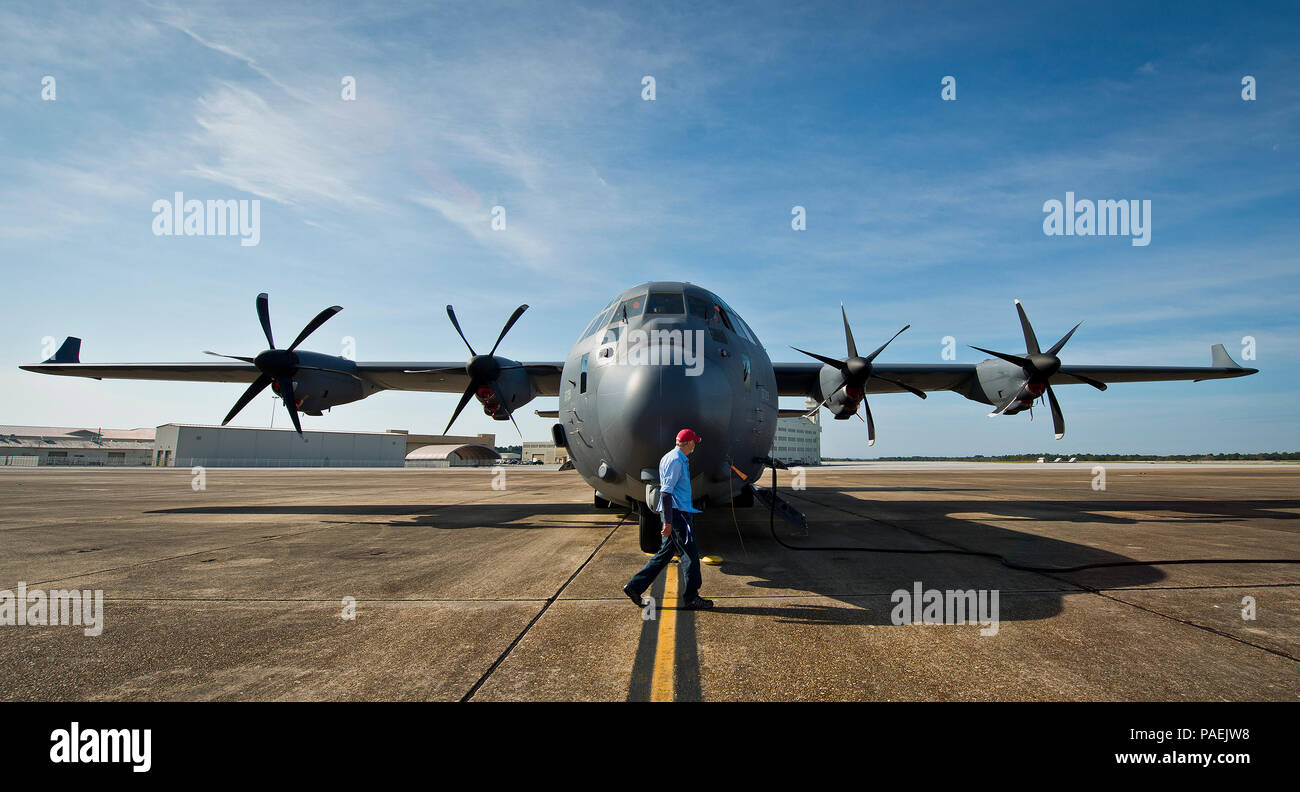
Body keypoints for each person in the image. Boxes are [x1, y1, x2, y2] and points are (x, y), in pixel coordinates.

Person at [623, 429, 714, 610]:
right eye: (694, 442)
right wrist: (668, 522)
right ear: (688, 443)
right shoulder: (675, 461)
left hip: (677, 511)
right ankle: (691, 597)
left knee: (664, 555)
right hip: (677, 513)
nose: (695, 445)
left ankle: (634, 587)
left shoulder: (673, 457)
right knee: (690, 554)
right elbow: (665, 493)